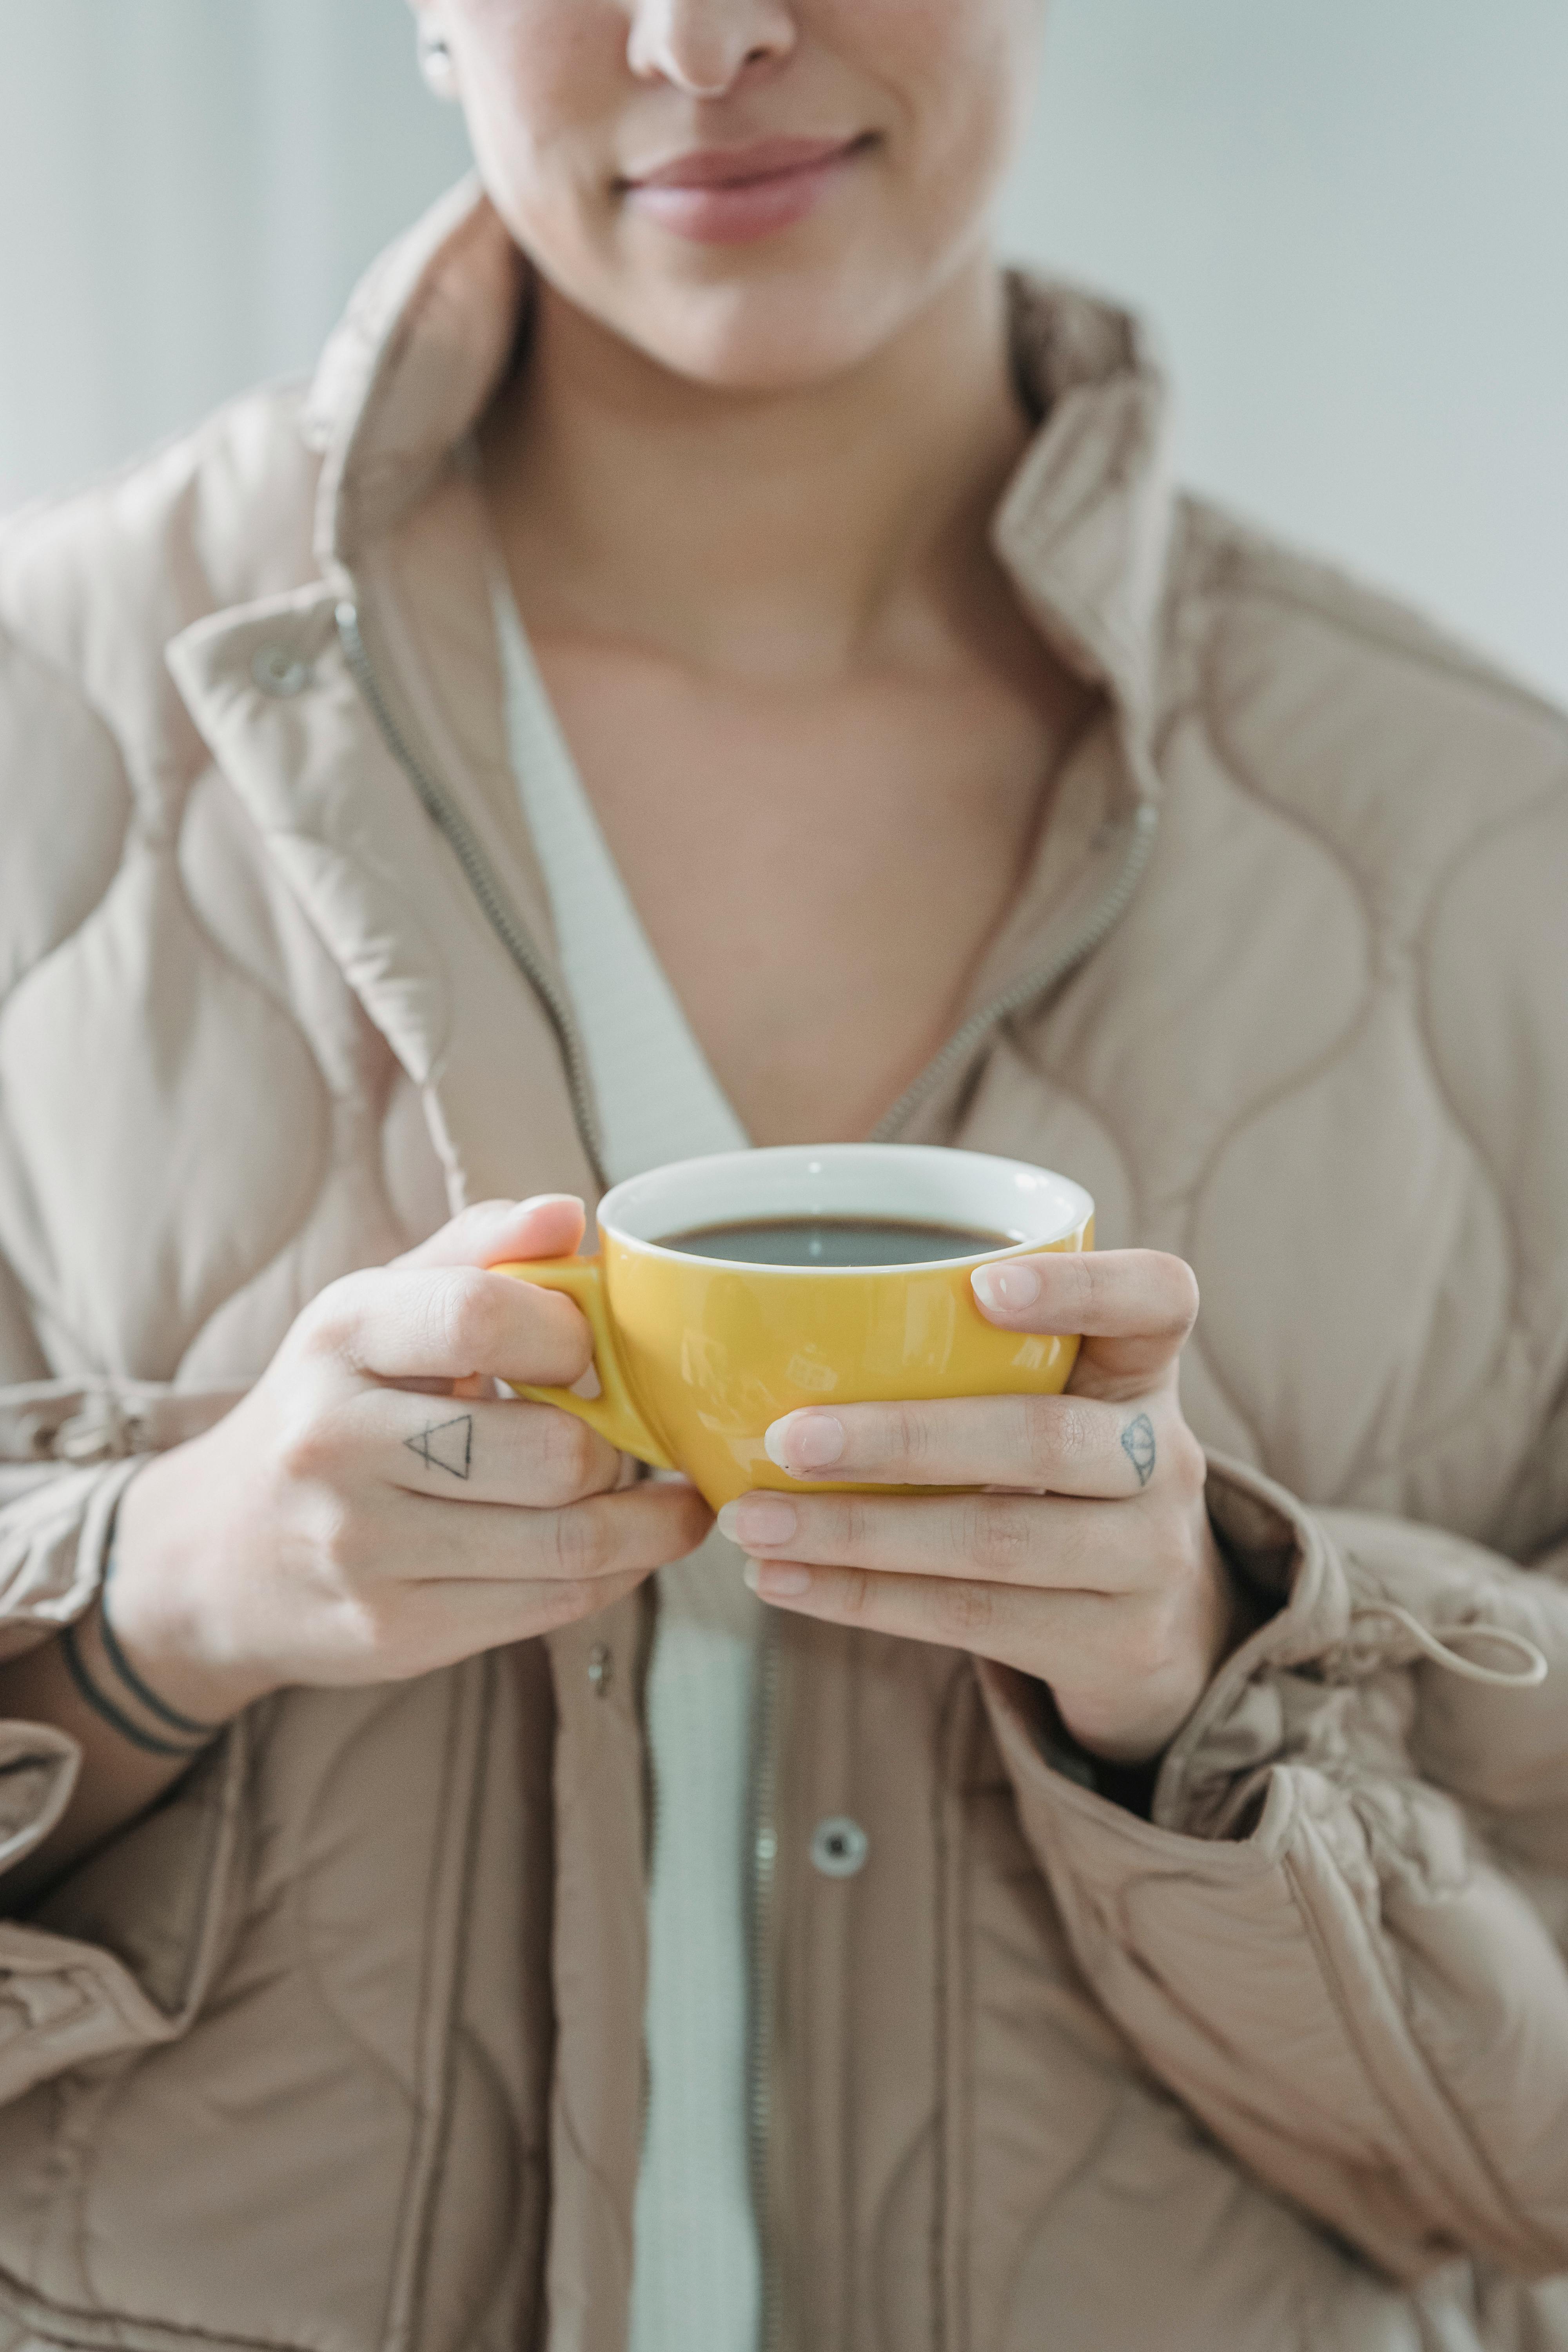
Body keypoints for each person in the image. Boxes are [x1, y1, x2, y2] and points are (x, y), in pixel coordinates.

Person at [0, 0, 1564, 2345]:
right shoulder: (39, 737)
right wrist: (152, 1606)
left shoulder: (1499, 852)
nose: (705, 35)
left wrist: (1209, 1679)